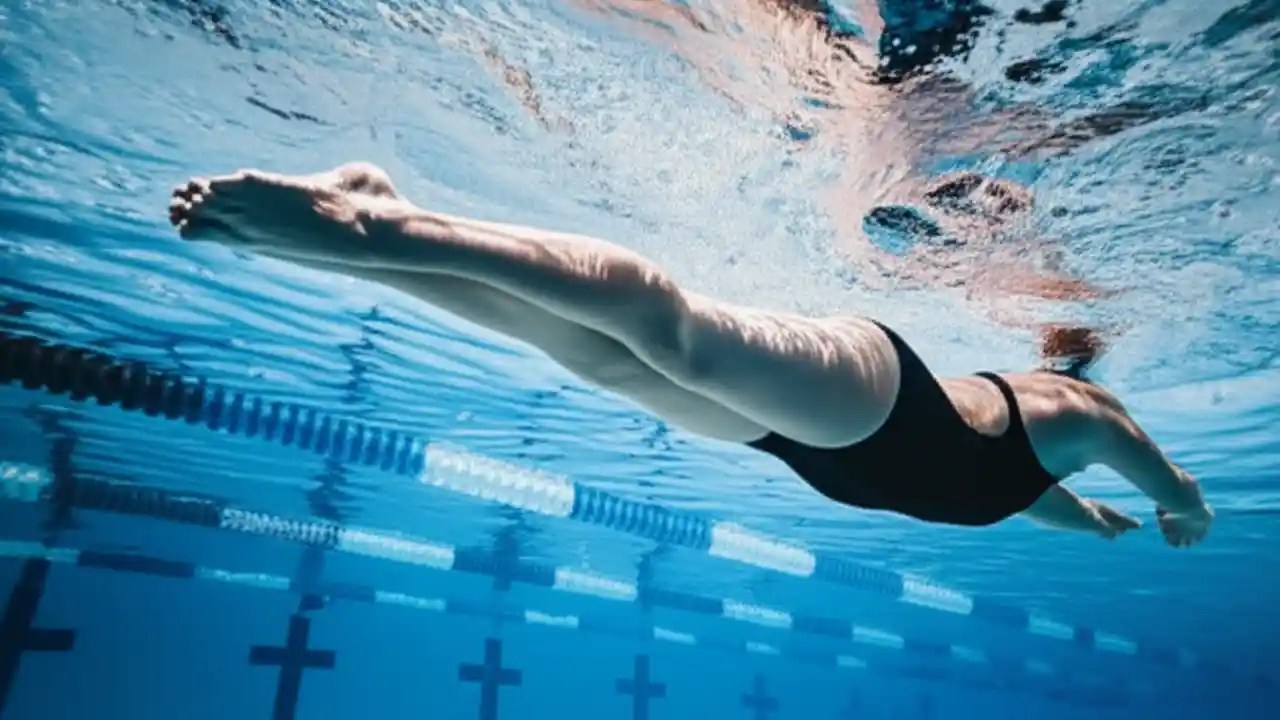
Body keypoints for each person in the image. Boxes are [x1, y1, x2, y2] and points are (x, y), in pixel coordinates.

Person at [167, 162, 1213, 546]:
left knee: (600, 358)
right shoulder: (1080, 418)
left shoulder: (1044, 473)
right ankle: (389, 234)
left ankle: (373, 239)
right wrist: (1184, 508)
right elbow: (1152, 464)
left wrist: (1097, 526)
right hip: (878, 404)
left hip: (821, 452)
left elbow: (1034, 496)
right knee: (674, 334)